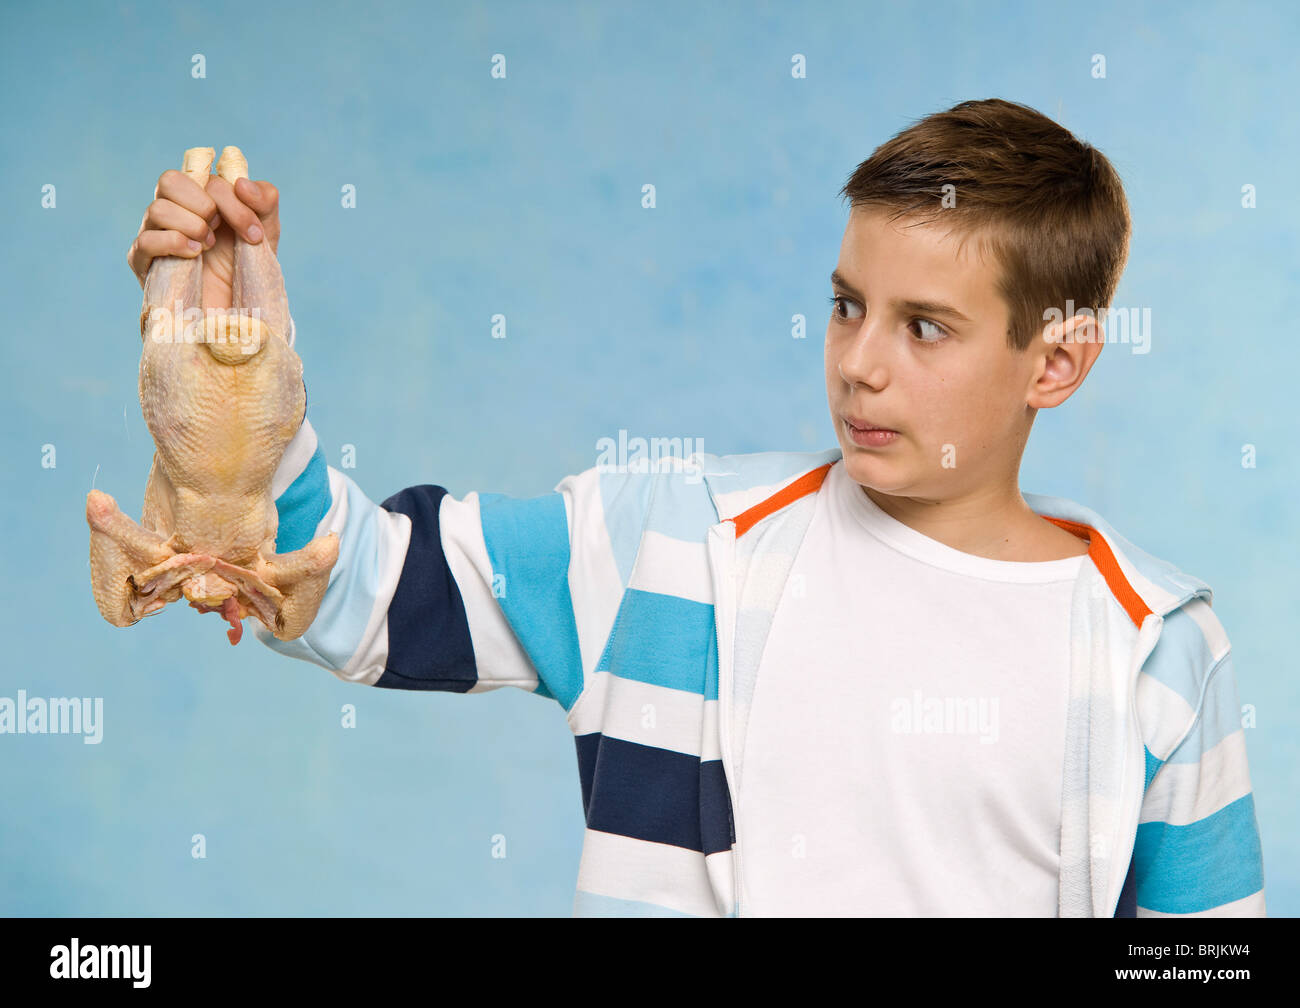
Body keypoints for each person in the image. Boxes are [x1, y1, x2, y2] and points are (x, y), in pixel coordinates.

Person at [126, 98, 1265, 917]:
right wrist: (227, 397)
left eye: (923, 326)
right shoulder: (668, 539)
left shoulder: (1153, 651)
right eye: (844, 305)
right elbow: (359, 588)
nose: (858, 364)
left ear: (1054, 365)